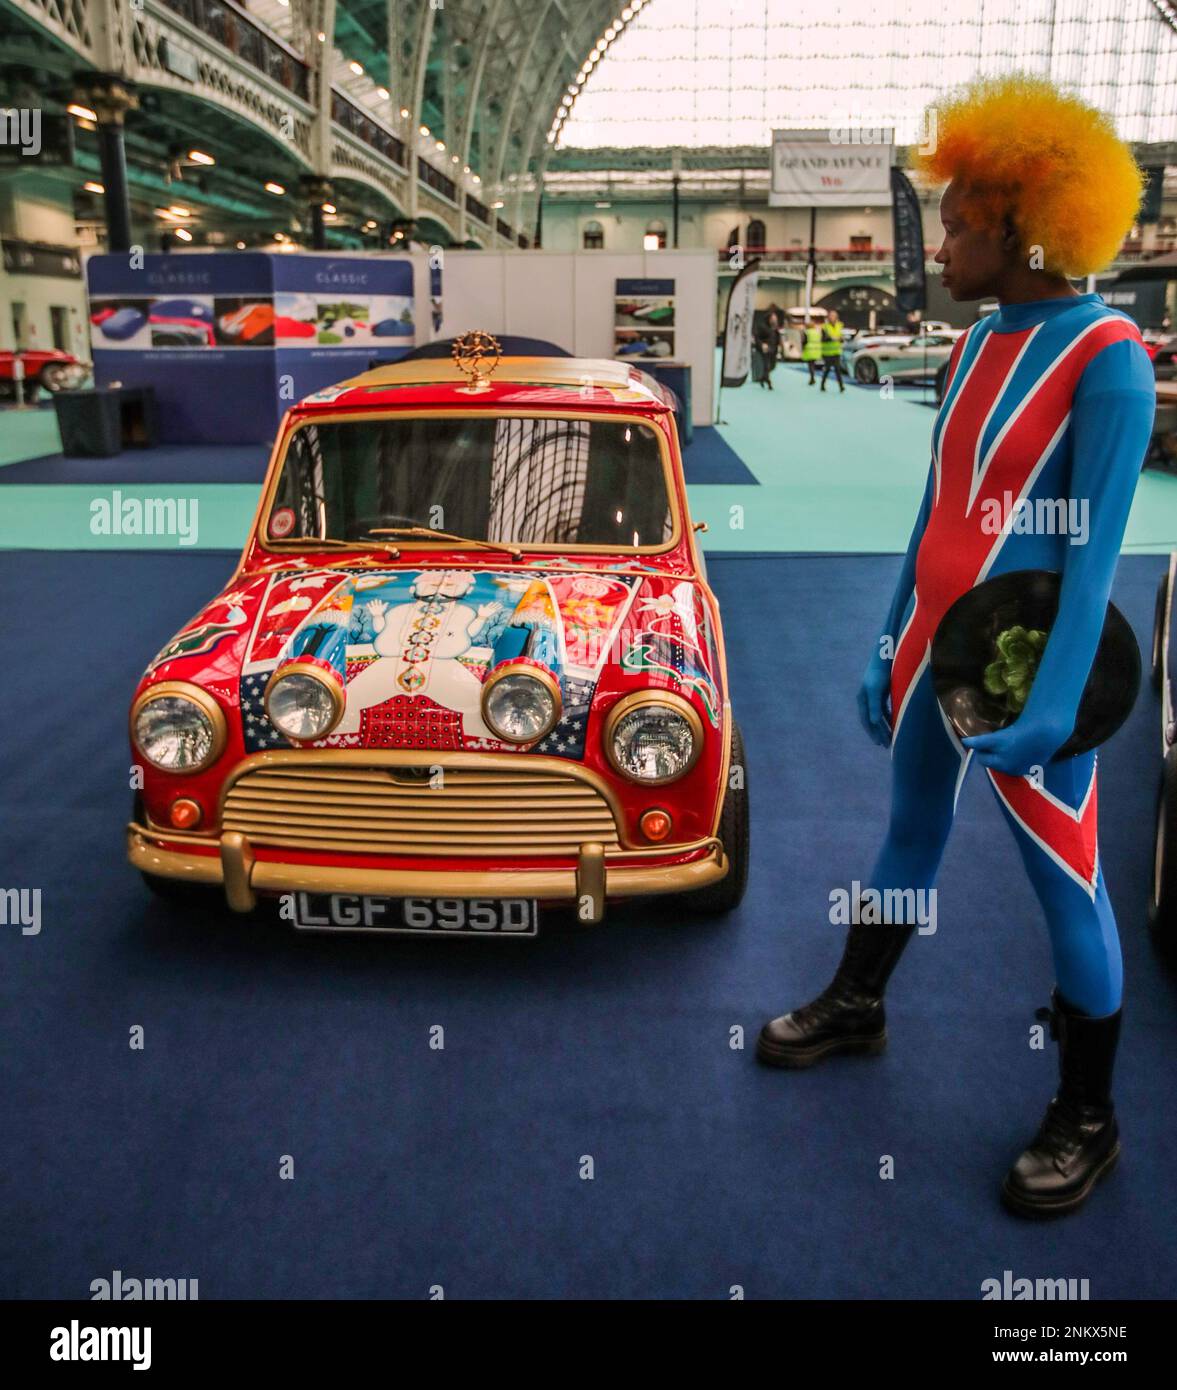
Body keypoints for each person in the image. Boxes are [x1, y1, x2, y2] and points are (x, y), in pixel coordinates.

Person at [757, 74, 1155, 1218]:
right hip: (939, 652)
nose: (937, 241)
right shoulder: (974, 345)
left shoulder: (1110, 357)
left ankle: (1090, 1115)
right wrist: (891, 634)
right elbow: (938, 514)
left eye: (957, 220)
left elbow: (1094, 556)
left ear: (1025, 226)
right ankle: (860, 999)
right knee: (909, 832)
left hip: (1034, 678)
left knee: (1066, 884)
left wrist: (1056, 702)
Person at [820, 309, 845, 392]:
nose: (832, 317)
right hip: (827, 352)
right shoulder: (825, 327)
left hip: (836, 352)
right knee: (827, 369)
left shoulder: (840, 326)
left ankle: (841, 386)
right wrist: (831, 338)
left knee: (838, 369)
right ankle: (822, 384)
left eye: (834, 316)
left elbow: (842, 337)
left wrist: (840, 339)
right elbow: (823, 339)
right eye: (831, 316)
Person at [756, 310, 782, 389]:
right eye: (773, 318)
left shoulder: (775, 328)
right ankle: (768, 382)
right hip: (766, 350)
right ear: (769, 319)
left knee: (773, 366)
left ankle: (763, 378)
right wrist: (762, 345)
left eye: (775, 318)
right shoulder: (763, 327)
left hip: (774, 350)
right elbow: (758, 338)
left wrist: (779, 345)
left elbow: (777, 338)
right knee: (766, 366)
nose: (774, 320)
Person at [801, 317, 823, 385]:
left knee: (810, 365)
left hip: (809, 350)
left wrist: (803, 349)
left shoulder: (807, 332)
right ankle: (812, 378)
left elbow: (804, 341)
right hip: (817, 350)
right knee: (813, 364)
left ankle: (812, 378)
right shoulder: (817, 332)